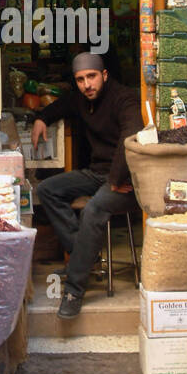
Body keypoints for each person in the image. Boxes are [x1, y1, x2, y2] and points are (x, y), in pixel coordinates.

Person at [32, 52, 143, 319]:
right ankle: (85, 254)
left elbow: (132, 134)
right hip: (97, 174)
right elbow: (61, 105)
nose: (87, 85)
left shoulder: (124, 98)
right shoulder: (82, 98)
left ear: (104, 75)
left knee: (93, 210)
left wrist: (117, 179)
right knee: (47, 189)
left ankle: (74, 290)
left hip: (126, 181)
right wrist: (41, 118)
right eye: (81, 80)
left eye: (91, 77)